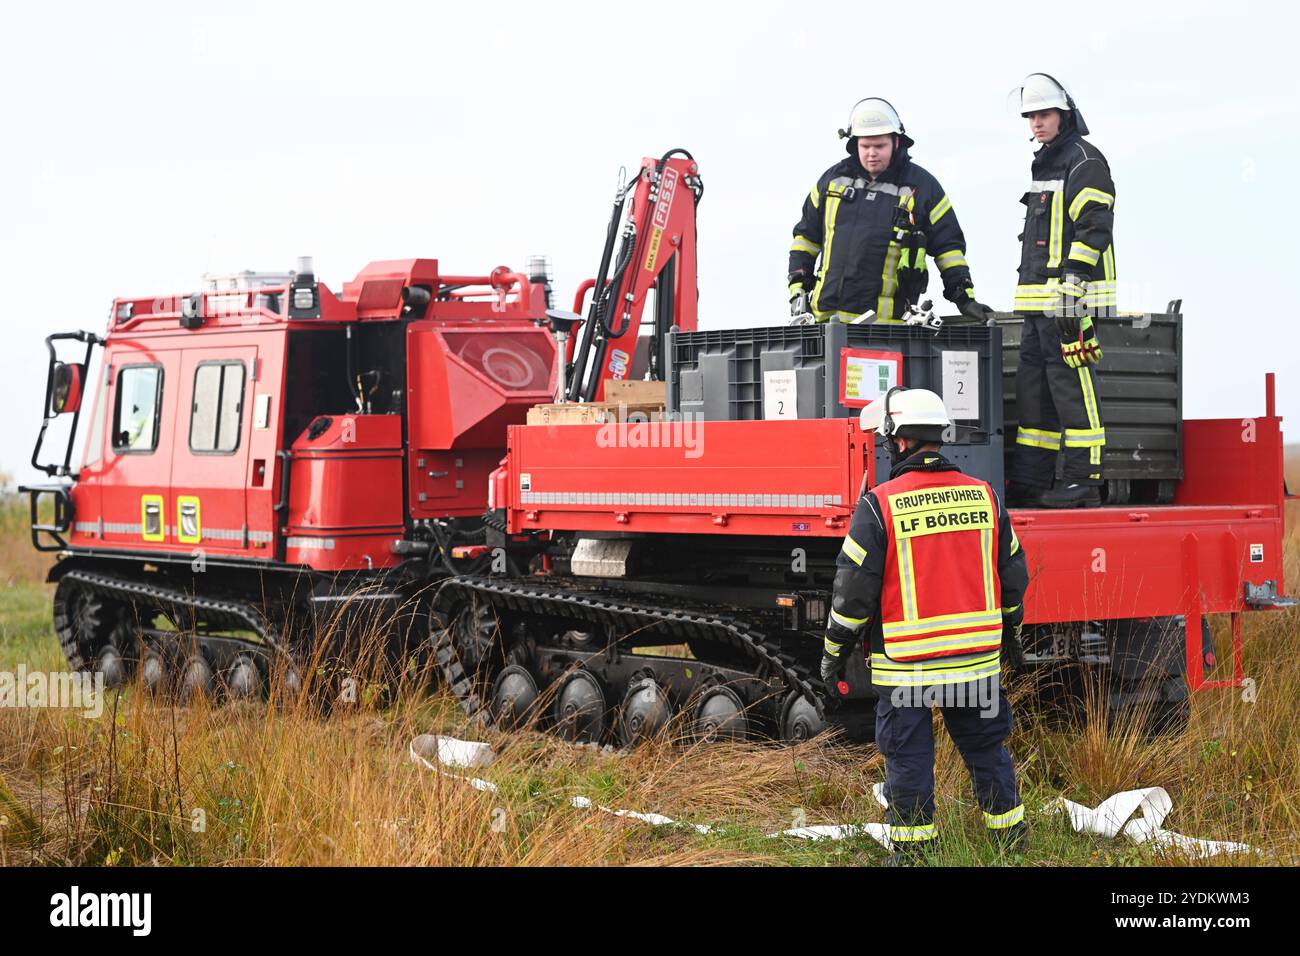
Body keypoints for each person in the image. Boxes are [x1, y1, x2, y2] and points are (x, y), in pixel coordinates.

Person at [820, 387, 1030, 864]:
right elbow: (1014, 576)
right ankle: (1012, 843)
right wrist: (1012, 635)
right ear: (941, 437)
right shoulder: (985, 497)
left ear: (898, 441)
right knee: (987, 752)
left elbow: (853, 595)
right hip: (975, 664)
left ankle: (915, 856)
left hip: (908, 668)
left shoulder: (879, 505)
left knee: (910, 760)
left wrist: (835, 650)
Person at [1007, 74, 1116, 509]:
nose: (1037, 122)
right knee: (1035, 390)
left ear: (1064, 114)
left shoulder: (1084, 160)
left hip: (1072, 300)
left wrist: (1073, 283)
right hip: (1038, 302)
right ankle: (1033, 479)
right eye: (1031, 116)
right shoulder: (1048, 162)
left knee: (1073, 387)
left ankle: (1084, 479)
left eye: (1044, 114)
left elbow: (1094, 226)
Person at [787, 98, 993, 325]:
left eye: (879, 146)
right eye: (865, 146)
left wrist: (964, 297)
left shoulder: (922, 188)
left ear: (896, 142)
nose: (871, 153)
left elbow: (949, 249)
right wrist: (798, 291)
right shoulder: (832, 181)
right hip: (827, 325)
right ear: (855, 144)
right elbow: (805, 240)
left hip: (887, 332)